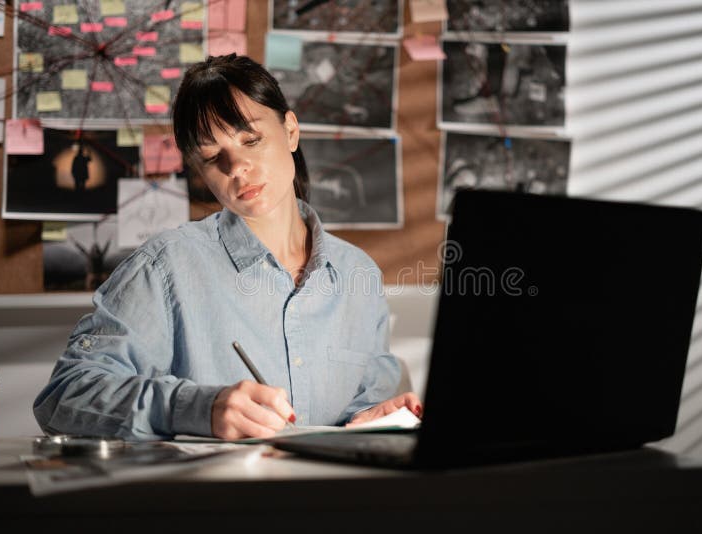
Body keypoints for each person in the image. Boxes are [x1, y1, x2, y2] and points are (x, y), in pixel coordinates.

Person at [33, 53, 422, 441]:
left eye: (251, 139)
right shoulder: (167, 267)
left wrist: (376, 416)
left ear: (290, 131)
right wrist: (198, 408)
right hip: (217, 500)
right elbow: (65, 395)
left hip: (330, 498)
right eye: (211, 156)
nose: (236, 167)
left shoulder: (358, 273)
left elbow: (358, 412)